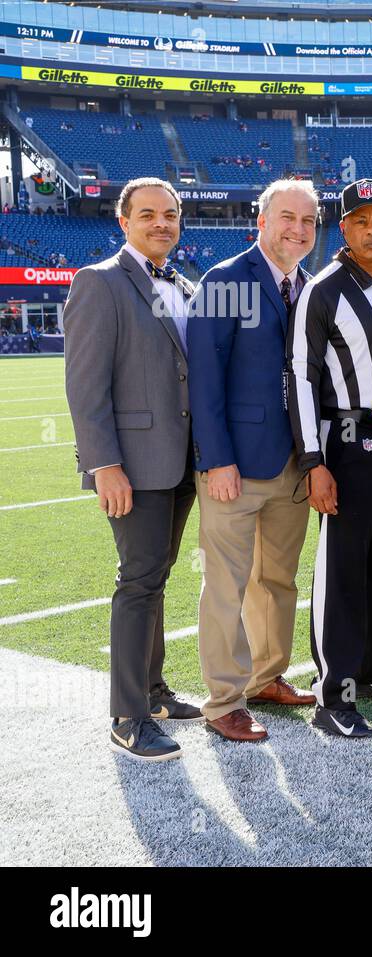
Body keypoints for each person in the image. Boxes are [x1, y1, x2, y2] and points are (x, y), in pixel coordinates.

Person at [64, 177, 202, 761]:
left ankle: (154, 692)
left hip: (180, 465)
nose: (161, 223)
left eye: (170, 214)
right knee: (138, 580)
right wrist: (104, 465)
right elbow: (85, 387)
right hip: (134, 467)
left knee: (156, 578)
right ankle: (127, 716)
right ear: (124, 222)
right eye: (148, 214)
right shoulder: (99, 282)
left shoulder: (187, 286)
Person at [286, 178, 372, 740]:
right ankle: (333, 695)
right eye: (362, 220)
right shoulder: (324, 291)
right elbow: (299, 377)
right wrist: (313, 461)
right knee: (344, 571)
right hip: (347, 441)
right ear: (342, 228)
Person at [187, 179, 321, 743]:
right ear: (262, 221)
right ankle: (223, 700)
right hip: (235, 467)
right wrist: (217, 460)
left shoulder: (310, 287)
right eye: (287, 217)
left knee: (277, 580)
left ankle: (268, 677)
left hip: (293, 463)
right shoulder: (226, 280)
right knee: (227, 584)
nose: (297, 229)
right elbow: (204, 377)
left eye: (309, 221)